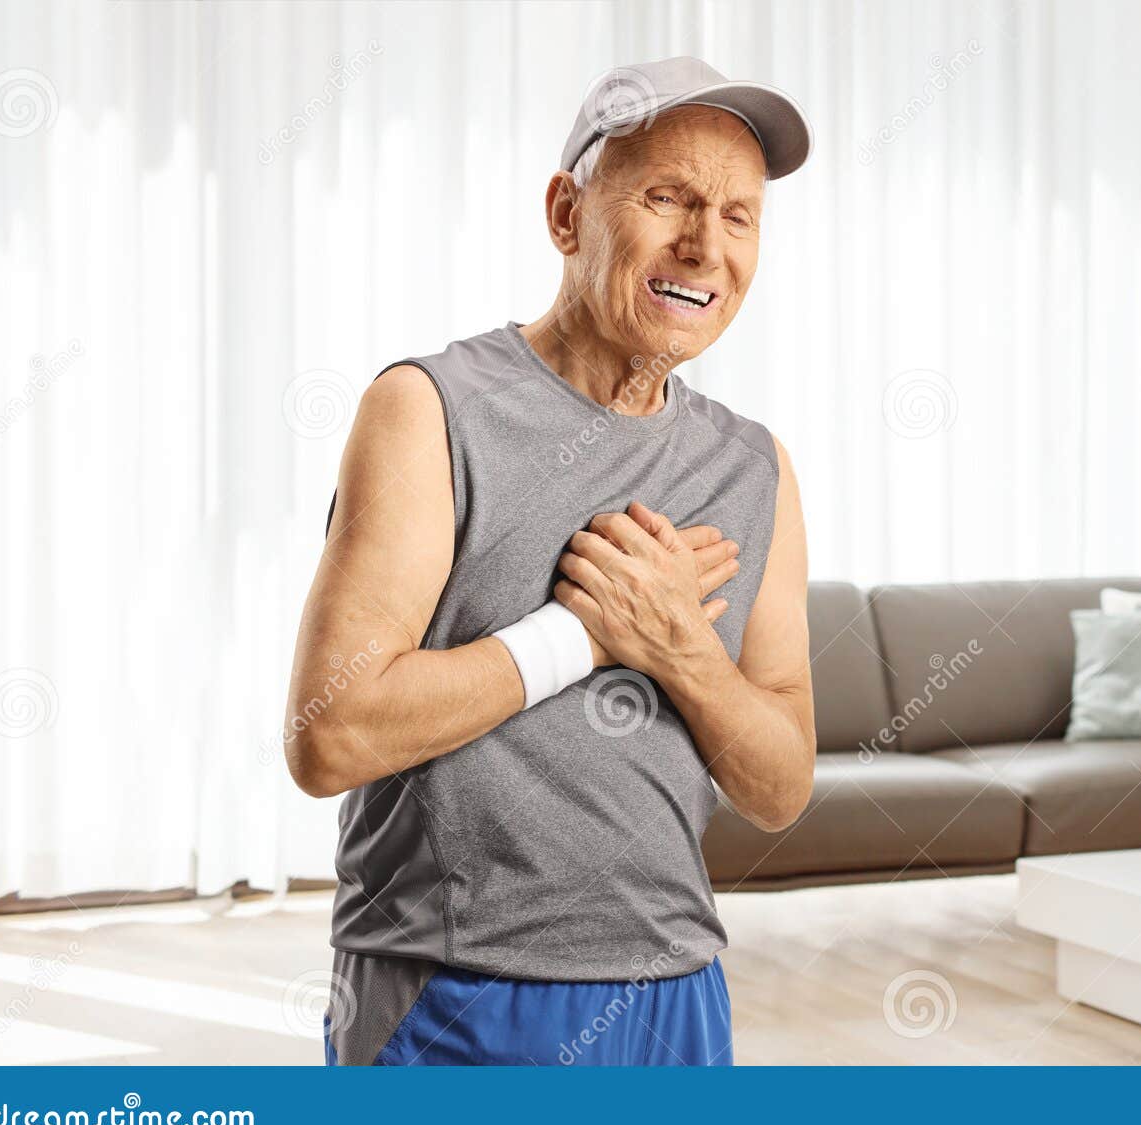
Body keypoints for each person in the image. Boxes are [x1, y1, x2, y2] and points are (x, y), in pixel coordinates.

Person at [283, 57, 816, 1065]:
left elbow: (781, 786)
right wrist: (577, 635)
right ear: (567, 213)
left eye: (739, 215)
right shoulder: (429, 410)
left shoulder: (757, 466)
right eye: (668, 198)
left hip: (678, 989)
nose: (705, 245)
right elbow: (331, 738)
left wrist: (679, 649)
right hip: (452, 988)